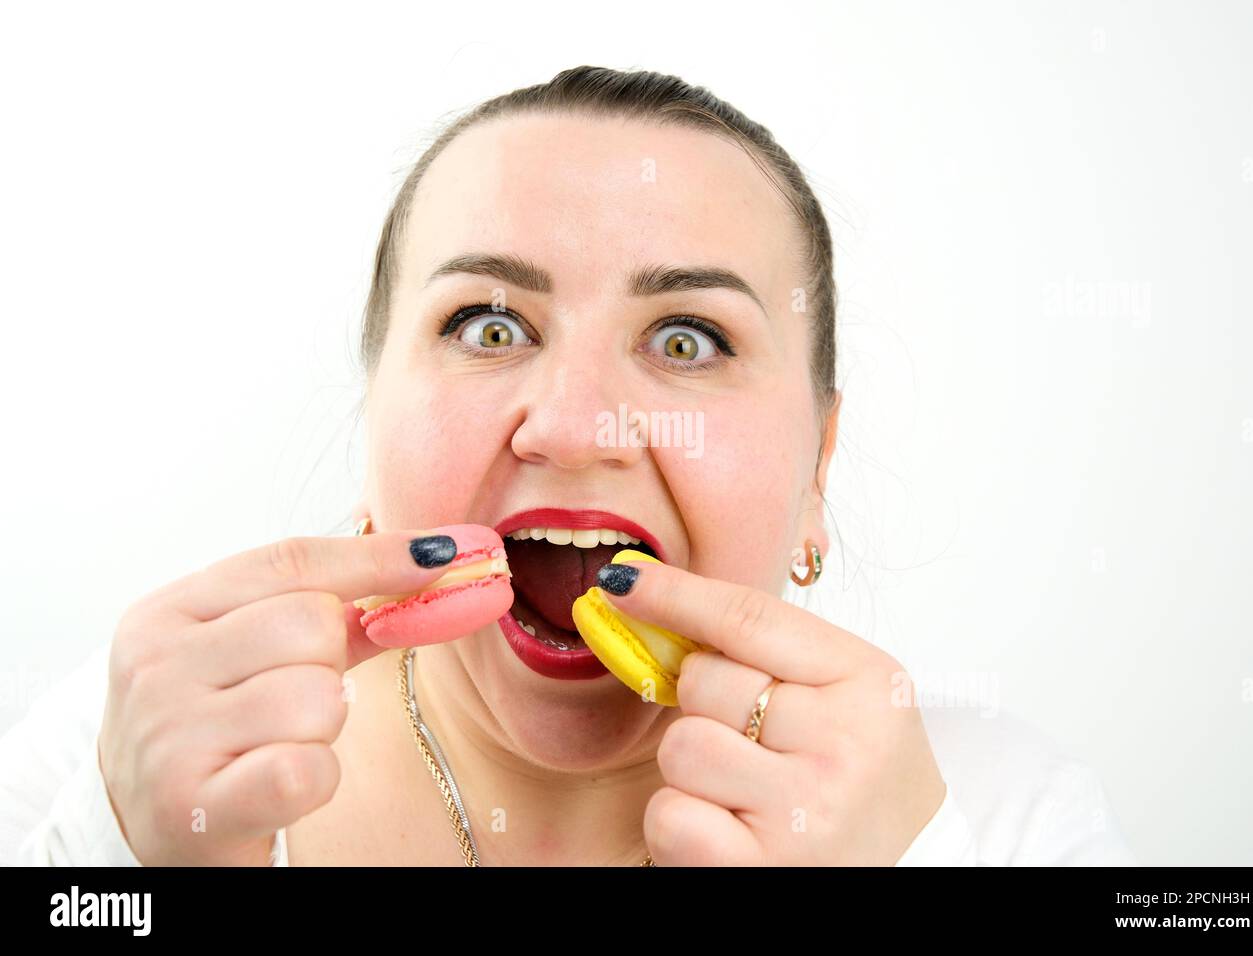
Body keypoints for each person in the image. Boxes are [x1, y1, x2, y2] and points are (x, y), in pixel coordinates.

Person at [0, 66, 1137, 866]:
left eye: (688, 338)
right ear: (371, 412)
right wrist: (119, 870)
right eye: (487, 326)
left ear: (817, 467)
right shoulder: (127, 745)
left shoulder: (996, 812)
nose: (577, 423)